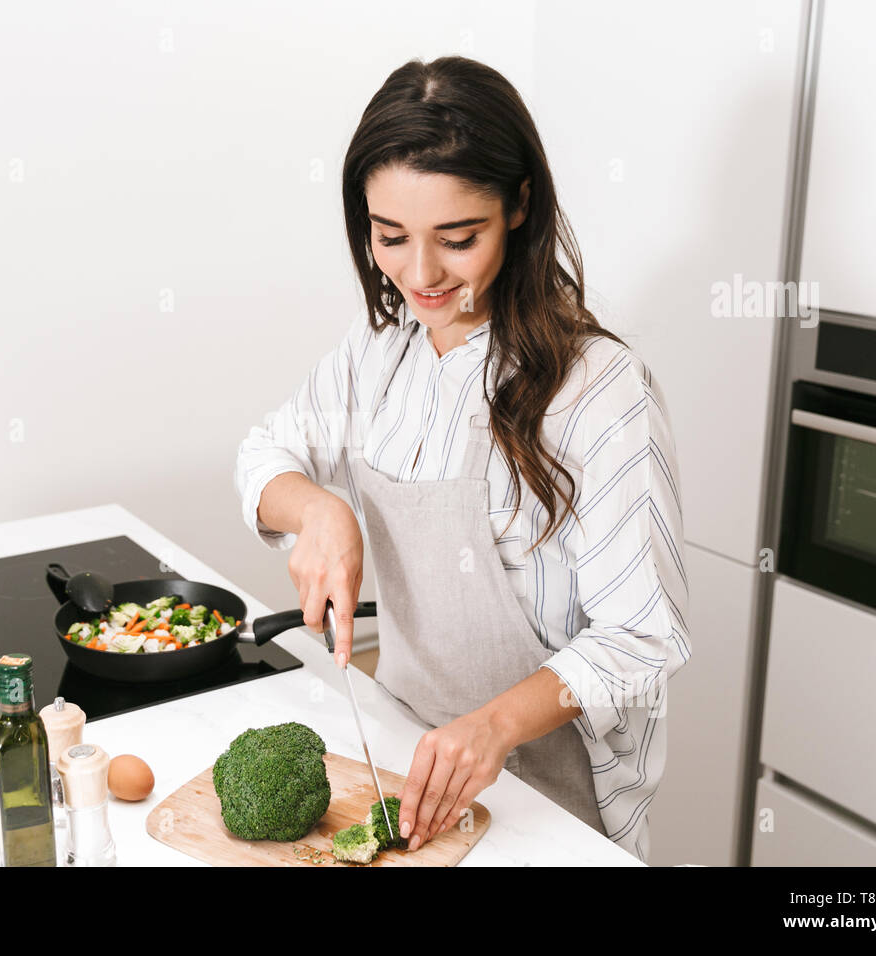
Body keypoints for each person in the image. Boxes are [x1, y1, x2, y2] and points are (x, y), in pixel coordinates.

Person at [232, 56, 690, 864]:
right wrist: (318, 510)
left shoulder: (599, 389)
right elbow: (267, 451)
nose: (421, 275)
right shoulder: (379, 351)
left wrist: (496, 725)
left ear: (519, 206)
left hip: (557, 797)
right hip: (408, 757)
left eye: (457, 238)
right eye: (390, 238)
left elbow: (642, 636)